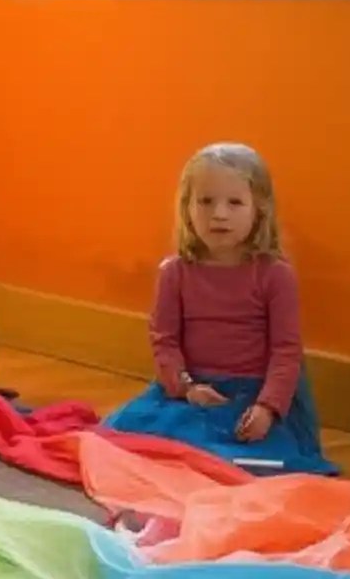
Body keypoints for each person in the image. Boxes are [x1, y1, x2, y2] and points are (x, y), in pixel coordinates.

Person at [103, 142, 337, 475]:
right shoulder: (174, 272)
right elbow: (164, 340)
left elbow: (286, 351)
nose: (219, 214)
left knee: (254, 463)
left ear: (260, 209)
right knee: (133, 444)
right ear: (187, 208)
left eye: (235, 202)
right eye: (206, 201)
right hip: (192, 392)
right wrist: (185, 387)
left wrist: (267, 408)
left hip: (253, 397)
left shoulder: (274, 275)